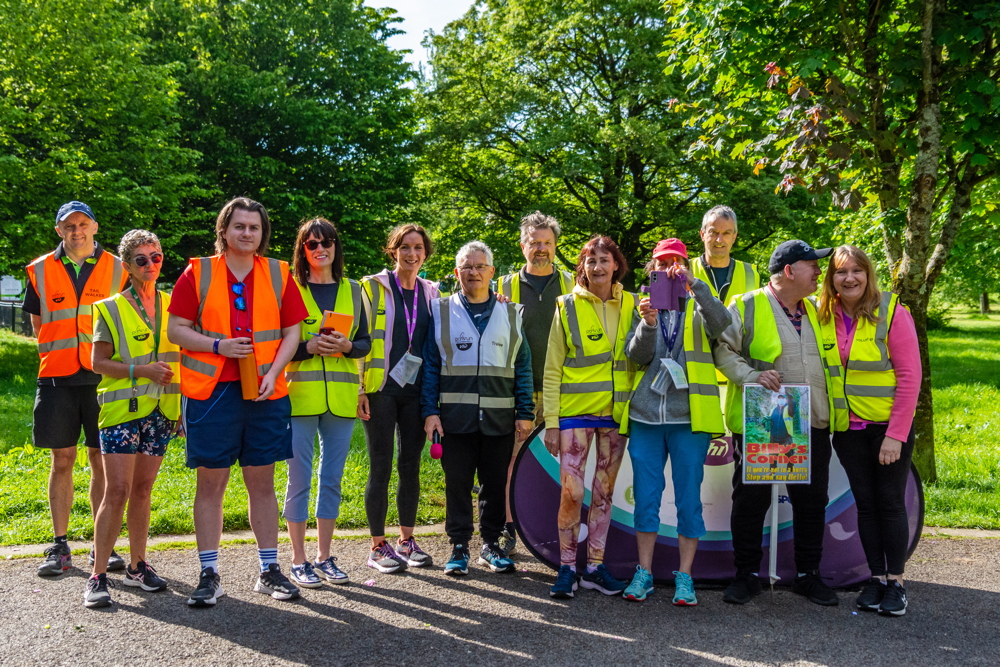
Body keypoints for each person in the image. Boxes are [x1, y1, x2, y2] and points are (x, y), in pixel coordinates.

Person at [167, 197, 307, 606]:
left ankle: (269, 569)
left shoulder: (280, 273)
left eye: (255, 228)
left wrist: (274, 372)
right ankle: (209, 573)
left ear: (263, 234)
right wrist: (217, 346)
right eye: (240, 226)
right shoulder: (198, 273)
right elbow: (176, 329)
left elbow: (292, 333)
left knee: (262, 483)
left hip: (265, 391)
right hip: (213, 393)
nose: (248, 233)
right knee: (211, 483)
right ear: (224, 231)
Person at [714, 239, 840, 607]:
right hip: (762, 419)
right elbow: (722, 349)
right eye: (811, 265)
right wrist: (749, 376)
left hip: (811, 418)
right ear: (789, 271)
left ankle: (808, 575)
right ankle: (746, 575)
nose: (819, 271)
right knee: (752, 500)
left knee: (812, 500)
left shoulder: (818, 309)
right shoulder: (746, 304)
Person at [621, 239, 730, 605]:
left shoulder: (699, 303)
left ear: (686, 264)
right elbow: (636, 357)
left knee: (688, 500)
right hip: (646, 418)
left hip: (689, 419)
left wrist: (694, 285)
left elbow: (723, 324)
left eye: (676, 262)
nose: (668, 267)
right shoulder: (642, 305)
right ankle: (645, 574)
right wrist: (648, 323)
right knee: (647, 499)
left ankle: (685, 577)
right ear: (651, 266)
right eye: (662, 262)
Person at [25, 201, 127, 577]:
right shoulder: (39, 270)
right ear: (59, 230)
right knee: (62, 460)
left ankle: (105, 545)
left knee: (102, 460)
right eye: (69, 225)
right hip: (57, 378)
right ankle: (60, 544)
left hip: (104, 378)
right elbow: (38, 326)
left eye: (83, 224)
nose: (76, 231)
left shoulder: (119, 268)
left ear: (95, 227)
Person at [818, 245, 920, 616]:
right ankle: (876, 579)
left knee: (890, 504)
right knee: (865, 505)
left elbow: (910, 376)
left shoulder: (891, 311)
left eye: (856, 271)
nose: (849, 279)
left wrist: (896, 434)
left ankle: (897, 584)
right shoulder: (822, 314)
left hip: (887, 428)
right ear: (831, 279)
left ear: (868, 274)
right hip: (848, 429)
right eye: (841, 272)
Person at [422, 241, 534, 576]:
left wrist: (524, 413)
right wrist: (430, 411)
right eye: (467, 267)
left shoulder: (511, 313)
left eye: (480, 266)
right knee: (456, 484)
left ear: (492, 273)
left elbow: (523, 366)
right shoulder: (441, 311)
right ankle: (458, 547)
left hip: (500, 418)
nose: (474, 272)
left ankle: (491, 545)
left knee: (494, 483)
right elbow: (430, 365)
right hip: (454, 419)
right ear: (457, 273)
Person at [84, 230, 180, 608]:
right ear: (127, 266)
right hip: (122, 410)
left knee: (143, 491)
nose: (151, 265)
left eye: (156, 257)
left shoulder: (174, 304)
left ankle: (138, 565)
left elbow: (183, 360)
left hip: (162, 410)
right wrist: (142, 371)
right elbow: (98, 362)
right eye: (142, 260)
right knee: (118, 491)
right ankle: (97, 574)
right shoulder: (109, 307)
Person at [544, 236, 638, 599]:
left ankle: (595, 569)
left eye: (605, 260)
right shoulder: (566, 306)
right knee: (572, 493)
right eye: (590, 260)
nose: (598, 266)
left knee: (604, 493)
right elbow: (552, 368)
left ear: (617, 265)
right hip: (573, 415)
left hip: (616, 414)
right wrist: (551, 421)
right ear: (582, 267)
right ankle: (567, 568)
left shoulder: (632, 303)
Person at [282, 218, 371, 588]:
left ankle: (324, 557)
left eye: (327, 242)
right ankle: (298, 559)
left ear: (336, 247)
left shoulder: (354, 289)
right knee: (299, 479)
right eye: (312, 243)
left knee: (331, 480)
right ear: (302, 250)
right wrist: (308, 348)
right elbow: (275, 345)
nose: (321, 248)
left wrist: (347, 346)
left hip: (341, 399)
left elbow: (365, 342)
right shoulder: (290, 288)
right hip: (298, 397)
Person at [357, 224, 441, 573]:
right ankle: (378, 546)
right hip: (380, 389)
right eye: (404, 247)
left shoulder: (433, 293)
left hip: (416, 391)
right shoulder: (373, 287)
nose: (412, 254)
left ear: (426, 253)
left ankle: (407, 540)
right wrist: (359, 387)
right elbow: (360, 337)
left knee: (410, 466)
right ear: (393, 251)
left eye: (418, 248)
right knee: (381, 464)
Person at [496, 211, 574, 554]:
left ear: (556, 246)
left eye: (547, 242)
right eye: (534, 242)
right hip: (518, 392)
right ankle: (508, 530)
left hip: (564, 391)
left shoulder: (574, 284)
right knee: (511, 463)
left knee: (563, 465)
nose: (541, 249)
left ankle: (555, 532)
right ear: (522, 244)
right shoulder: (502, 287)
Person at [689, 205, 760, 306]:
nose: (719, 240)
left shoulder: (751, 274)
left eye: (726, 233)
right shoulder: (685, 271)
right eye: (713, 232)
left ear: (734, 237)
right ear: (702, 234)